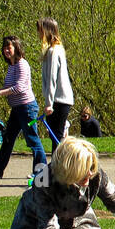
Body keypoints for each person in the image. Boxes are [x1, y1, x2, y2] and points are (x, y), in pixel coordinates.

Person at [0, 35, 48, 179]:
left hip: (27, 108)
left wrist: (0, 93)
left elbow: (19, 87)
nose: (6, 50)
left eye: (9, 47)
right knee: (8, 138)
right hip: (17, 109)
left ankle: (41, 174)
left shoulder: (22, 64)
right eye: (4, 47)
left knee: (32, 140)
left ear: (16, 48)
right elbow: (9, 87)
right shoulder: (12, 66)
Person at [38, 17, 75, 154]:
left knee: (56, 137)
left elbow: (52, 79)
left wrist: (49, 103)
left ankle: (58, 169)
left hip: (59, 100)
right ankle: (56, 169)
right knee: (55, 136)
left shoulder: (54, 51)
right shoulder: (52, 51)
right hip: (58, 100)